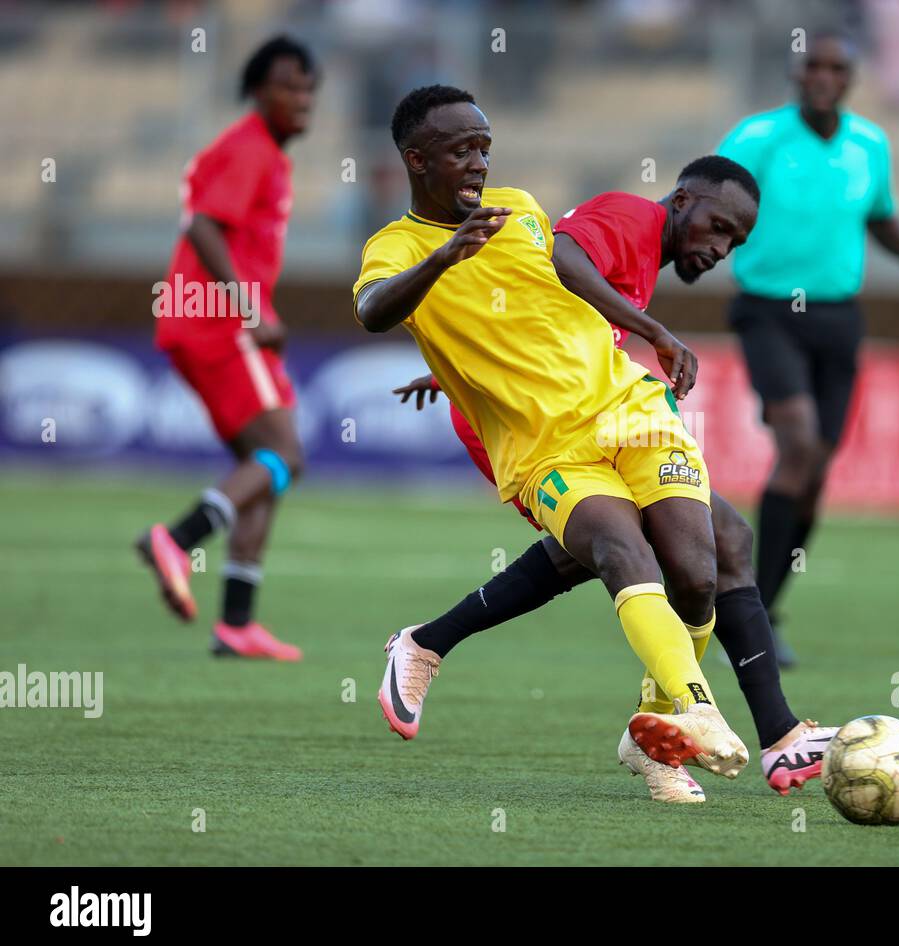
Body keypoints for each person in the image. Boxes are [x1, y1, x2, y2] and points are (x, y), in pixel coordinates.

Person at [391, 157, 837, 802]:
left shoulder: (642, 256)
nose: (718, 248)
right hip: (534, 429)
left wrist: (461, 364)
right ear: (681, 200)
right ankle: (754, 732)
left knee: (703, 546)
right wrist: (653, 332)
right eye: (716, 227)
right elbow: (564, 261)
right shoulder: (630, 216)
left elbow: (547, 320)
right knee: (630, 546)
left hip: (591, 411)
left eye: (733, 243)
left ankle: (732, 732)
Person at [353, 85, 747, 780]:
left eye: (484, 149)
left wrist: (650, 335)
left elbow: (544, 314)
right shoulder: (396, 247)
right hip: (546, 448)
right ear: (417, 161)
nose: (477, 163)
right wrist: (444, 261)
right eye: (459, 151)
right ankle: (697, 709)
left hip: (630, 409)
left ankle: (653, 735)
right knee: (620, 550)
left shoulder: (524, 212)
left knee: (698, 573)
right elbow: (372, 311)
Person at [718, 30, 899, 666]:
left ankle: (764, 606)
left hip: (838, 317)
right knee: (796, 445)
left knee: (816, 471)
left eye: (835, 68)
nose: (822, 76)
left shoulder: (868, 144)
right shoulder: (758, 139)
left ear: (850, 78)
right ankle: (753, 621)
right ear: (796, 74)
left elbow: (880, 216)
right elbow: (708, 197)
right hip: (768, 310)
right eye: (812, 66)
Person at [135, 36, 318, 661]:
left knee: (264, 471)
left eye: (309, 87)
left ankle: (237, 623)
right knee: (285, 455)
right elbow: (204, 225)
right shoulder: (251, 148)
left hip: (198, 319)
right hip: (218, 321)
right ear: (258, 90)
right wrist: (249, 310)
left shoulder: (256, 151)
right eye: (290, 85)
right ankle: (177, 536)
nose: (303, 98)